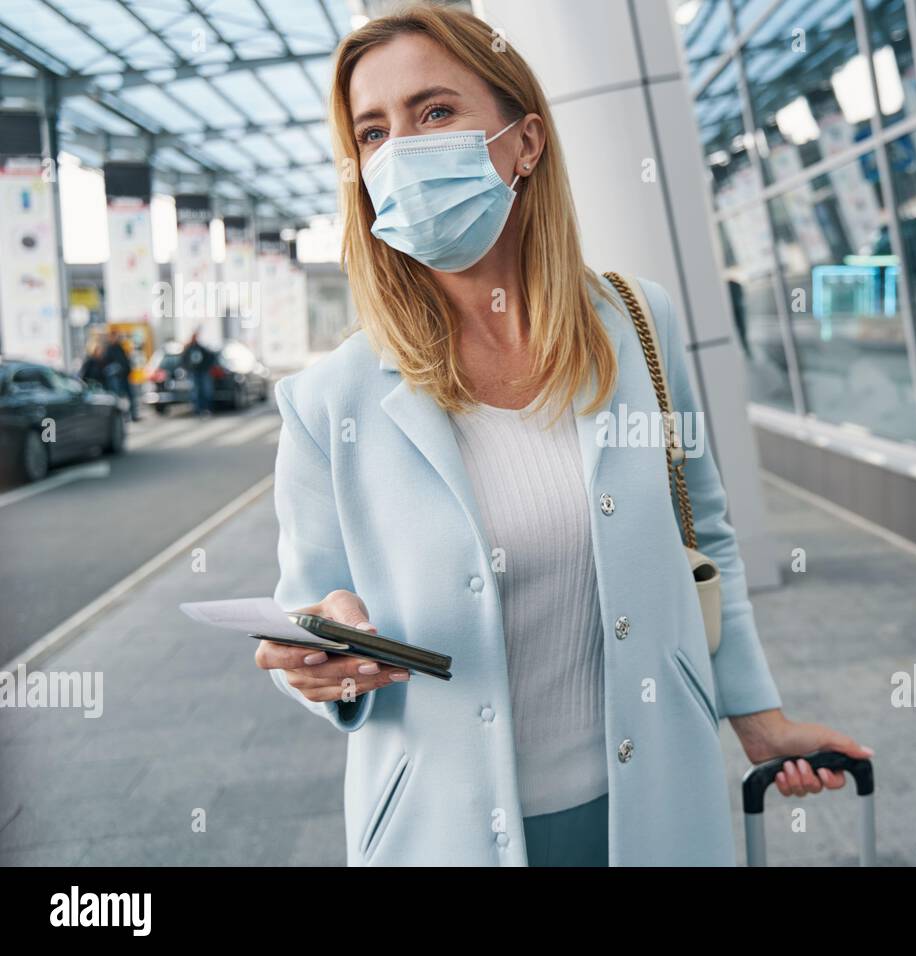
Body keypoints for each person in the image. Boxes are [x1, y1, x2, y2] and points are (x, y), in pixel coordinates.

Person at [253, 5, 871, 867]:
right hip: (445, 831)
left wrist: (759, 721)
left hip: (655, 802)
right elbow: (313, 611)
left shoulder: (638, 324)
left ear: (525, 142)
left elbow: (707, 534)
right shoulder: (327, 402)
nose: (401, 149)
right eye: (372, 130)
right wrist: (319, 654)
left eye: (435, 112)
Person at [102, 331, 139, 421]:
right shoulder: (109, 349)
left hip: (124, 377)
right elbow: (106, 365)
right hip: (116, 379)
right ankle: (122, 417)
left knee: (131, 397)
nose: (116, 338)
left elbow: (125, 361)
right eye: (114, 336)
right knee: (118, 399)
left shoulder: (120, 347)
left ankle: (132, 416)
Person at [182, 331, 216, 418]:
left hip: (203, 372)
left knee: (206, 391)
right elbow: (183, 360)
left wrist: (206, 368)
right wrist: (188, 369)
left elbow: (210, 357)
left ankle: (206, 408)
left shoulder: (201, 348)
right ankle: (198, 410)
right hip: (194, 373)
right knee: (195, 392)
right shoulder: (188, 349)